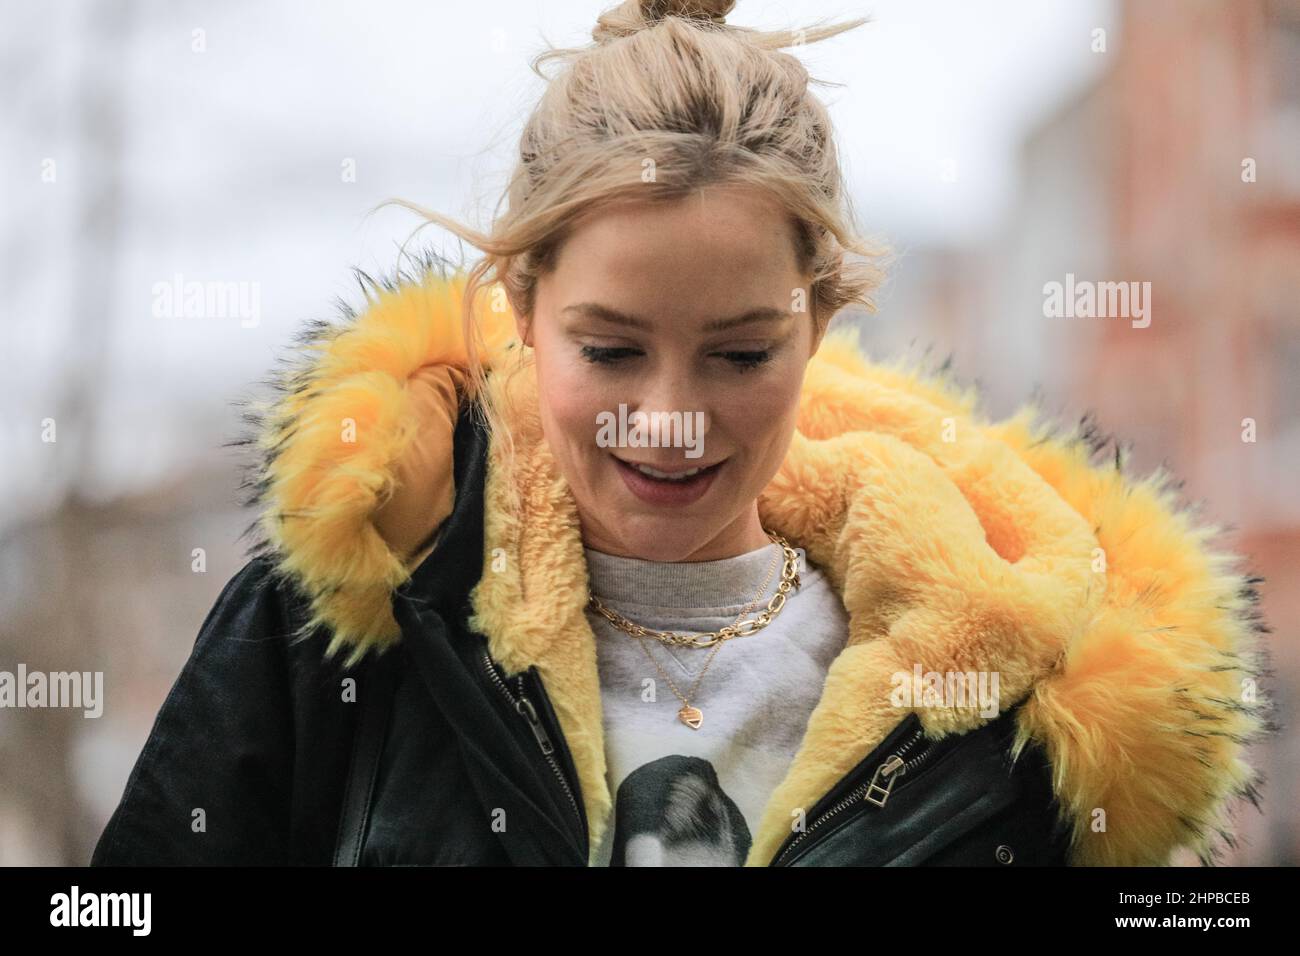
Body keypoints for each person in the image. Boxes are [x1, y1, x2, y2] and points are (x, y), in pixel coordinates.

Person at [91, 0, 1273, 867]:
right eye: (609, 349)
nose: (669, 414)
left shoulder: (1008, 701)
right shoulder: (338, 633)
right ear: (519, 307)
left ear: (820, 319)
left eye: (740, 353)